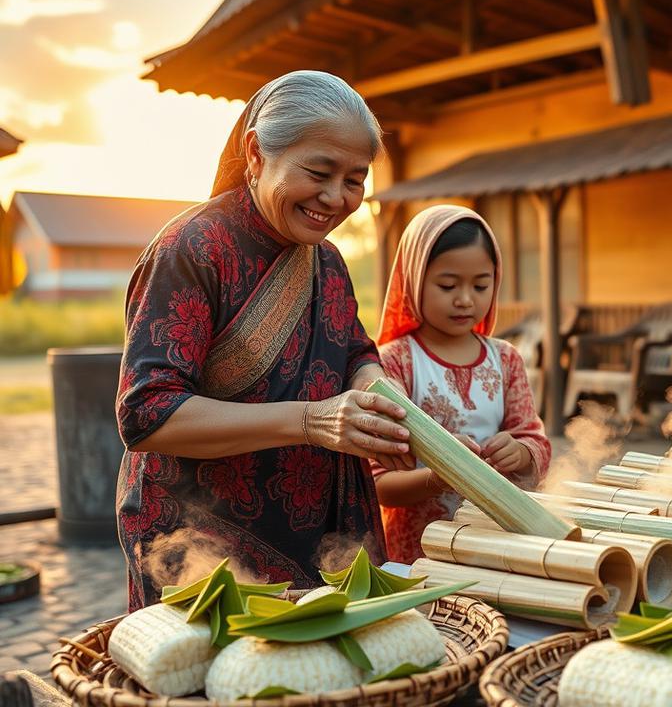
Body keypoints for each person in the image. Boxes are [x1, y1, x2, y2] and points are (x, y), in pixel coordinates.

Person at [115, 71, 414, 610]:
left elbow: (353, 350)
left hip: (319, 539)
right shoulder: (191, 249)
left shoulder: (326, 259)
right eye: (319, 172)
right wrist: (311, 420)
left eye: (355, 179)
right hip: (204, 540)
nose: (336, 198)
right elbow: (147, 414)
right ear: (256, 153)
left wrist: (376, 388)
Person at [373, 206, 551, 563]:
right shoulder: (392, 363)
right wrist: (441, 476)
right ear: (413, 279)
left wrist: (519, 453)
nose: (466, 299)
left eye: (481, 285)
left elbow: (536, 443)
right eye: (448, 285)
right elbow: (379, 484)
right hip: (419, 552)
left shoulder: (505, 359)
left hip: (496, 541)